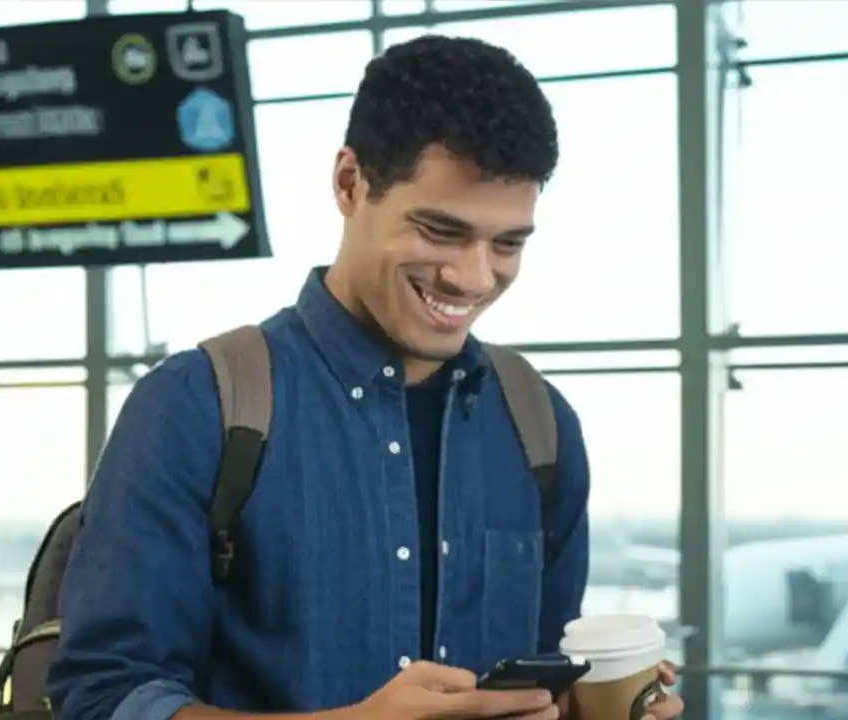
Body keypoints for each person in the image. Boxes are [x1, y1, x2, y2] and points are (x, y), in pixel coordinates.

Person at [47, 35, 684, 720]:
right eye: (440, 231)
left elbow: (543, 687)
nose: (473, 277)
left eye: (506, 244)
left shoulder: (540, 426)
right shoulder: (196, 407)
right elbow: (103, 699)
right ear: (350, 184)